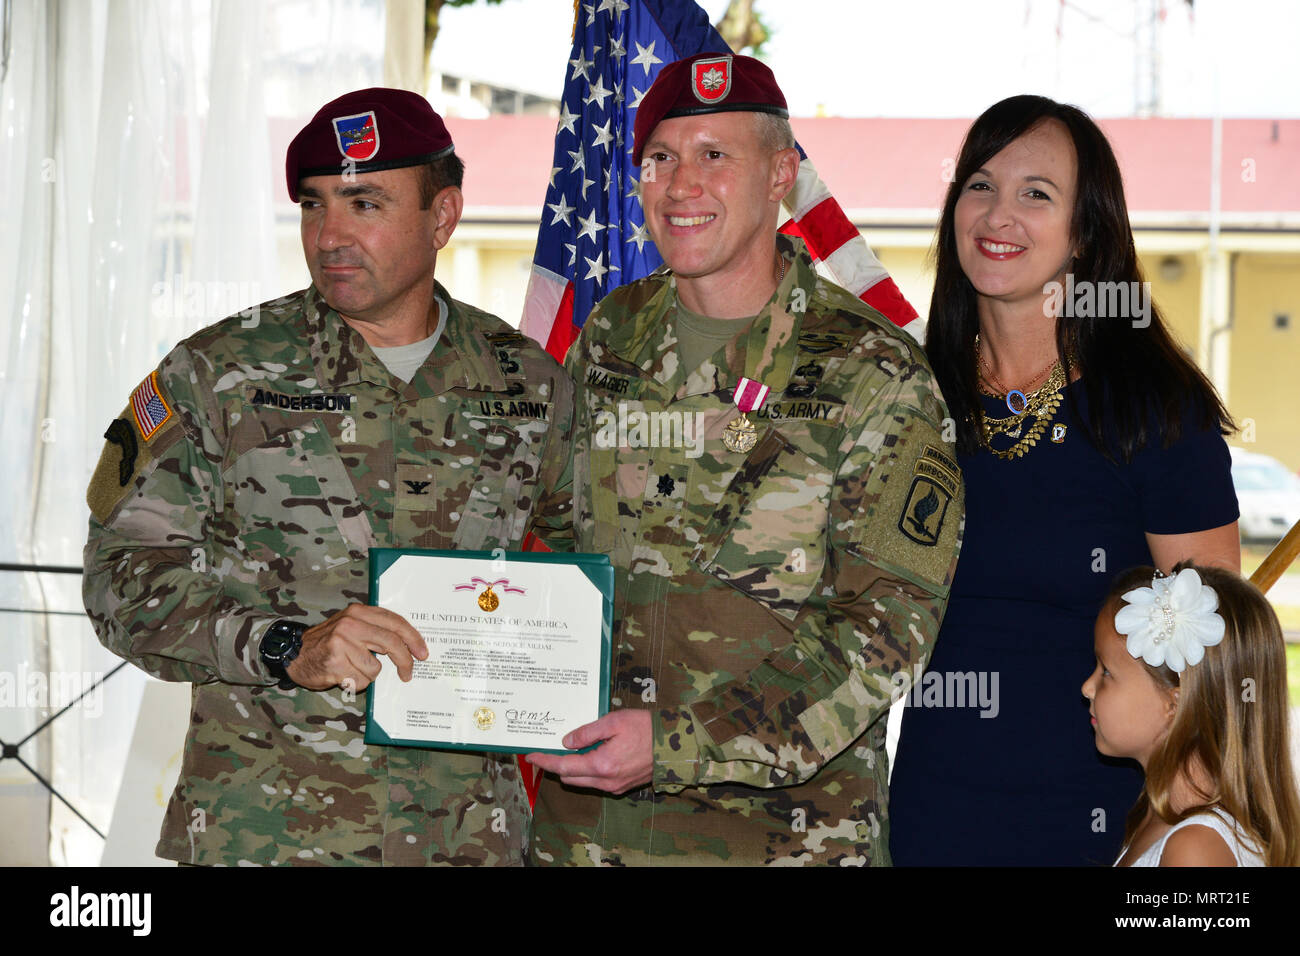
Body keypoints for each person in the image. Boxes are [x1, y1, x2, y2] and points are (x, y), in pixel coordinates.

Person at [82, 88, 573, 866]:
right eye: (315, 206)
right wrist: (284, 645)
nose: (331, 236)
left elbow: (599, 579)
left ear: (442, 217)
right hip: (265, 833)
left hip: (466, 838)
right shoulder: (217, 373)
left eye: (365, 203)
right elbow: (120, 583)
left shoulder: (530, 385)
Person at [525, 53, 964, 865]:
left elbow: (886, 629)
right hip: (589, 837)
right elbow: (548, 523)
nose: (681, 184)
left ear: (781, 175)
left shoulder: (873, 370)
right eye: (660, 159)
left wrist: (680, 743)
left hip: (782, 839)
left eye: (714, 155)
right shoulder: (611, 338)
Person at [888, 94, 1241, 866]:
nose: (997, 214)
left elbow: (1213, 655)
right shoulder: (911, 396)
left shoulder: (1152, 409)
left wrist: (1193, 831)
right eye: (979, 185)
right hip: (929, 804)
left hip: (1100, 816)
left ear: (1086, 233)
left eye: (1036, 194)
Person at [1084, 563, 1299, 866]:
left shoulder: (1195, 849)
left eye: (1106, 671)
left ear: (1174, 705)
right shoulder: (1159, 816)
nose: (1087, 688)